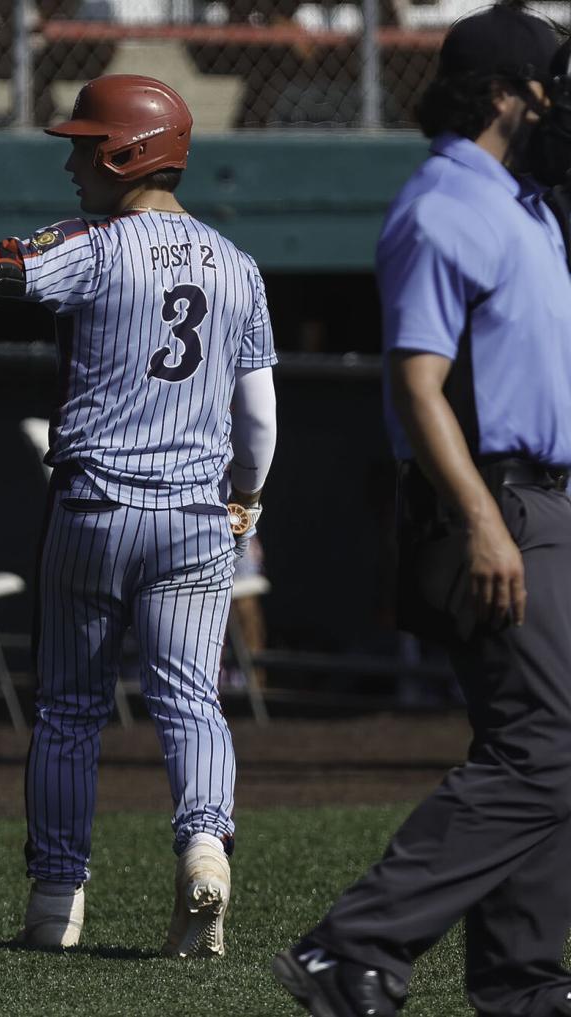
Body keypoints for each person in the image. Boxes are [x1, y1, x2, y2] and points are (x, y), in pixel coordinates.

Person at [0, 70, 278, 956]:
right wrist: (248, 493)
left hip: (95, 507)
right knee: (192, 700)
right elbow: (261, 415)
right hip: (196, 515)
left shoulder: (95, 243)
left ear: (127, 152)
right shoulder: (239, 268)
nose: (74, 162)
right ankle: (204, 847)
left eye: (86, 146)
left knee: (72, 710)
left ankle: (56, 901)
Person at [273, 7, 571, 1016]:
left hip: (542, 500)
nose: (555, 104)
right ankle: (351, 948)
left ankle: (523, 982)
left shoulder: (528, 202)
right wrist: (484, 519)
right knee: (545, 745)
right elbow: (418, 384)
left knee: (542, 748)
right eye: (546, 86)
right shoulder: (444, 204)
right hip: (489, 503)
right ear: (499, 95)